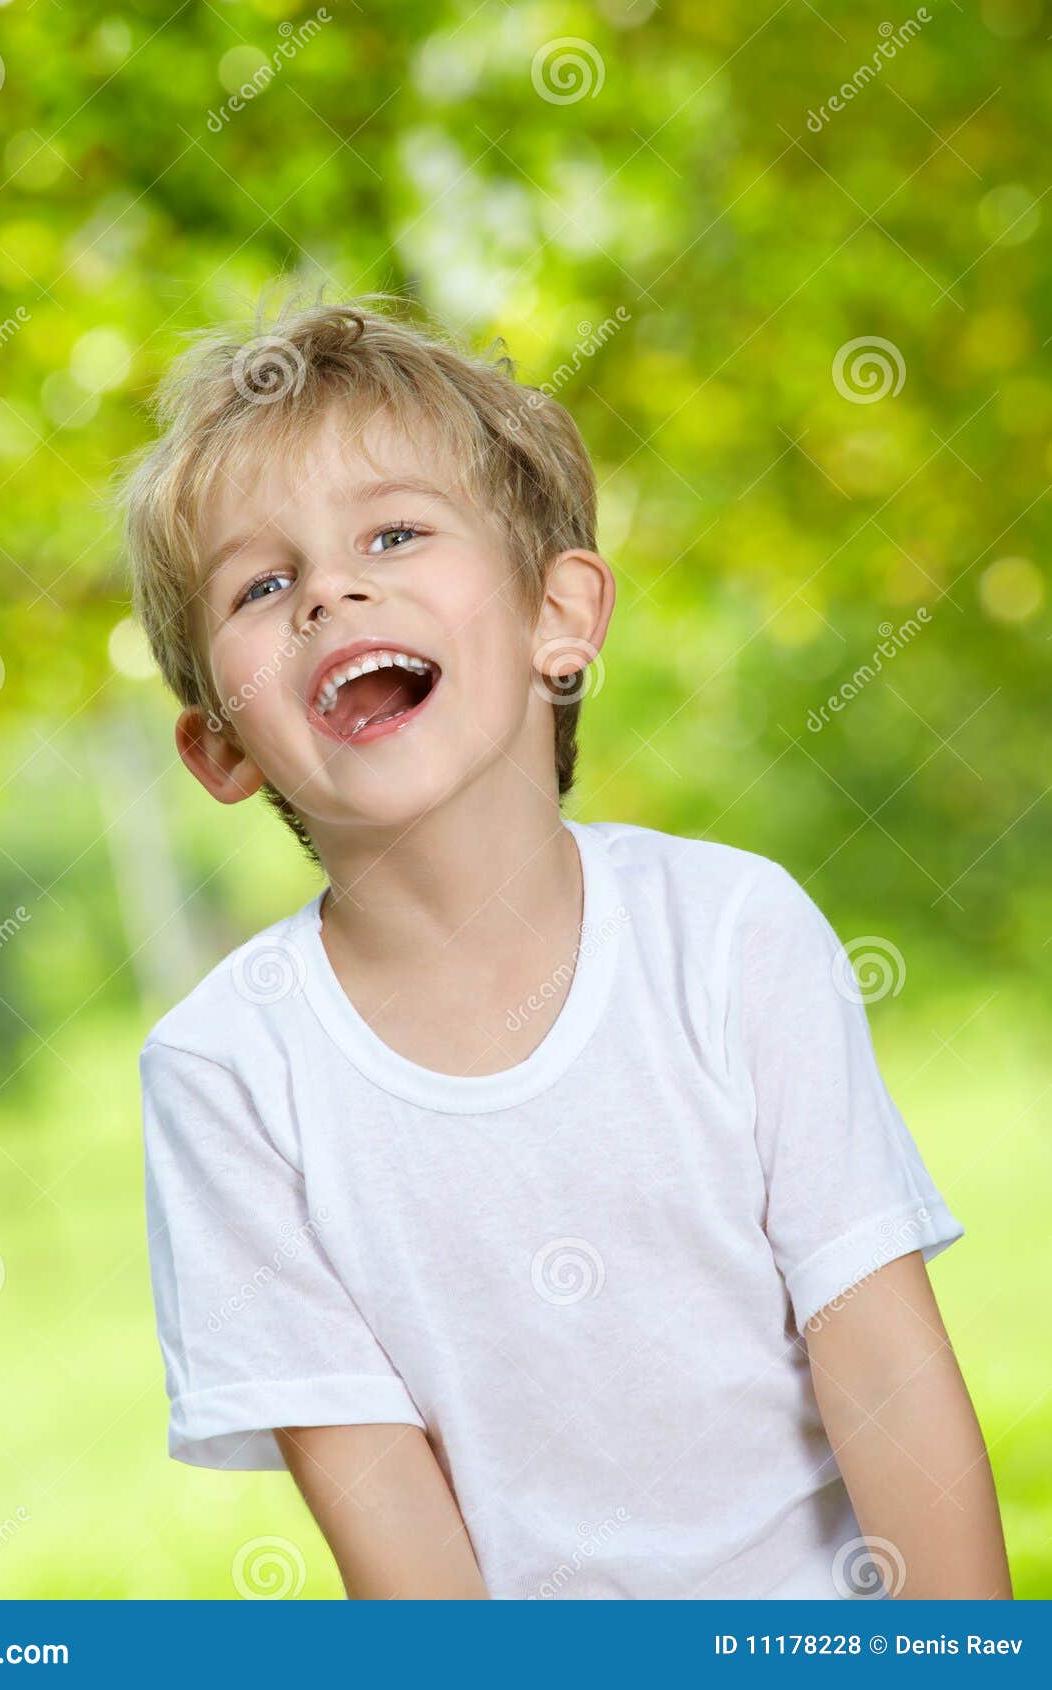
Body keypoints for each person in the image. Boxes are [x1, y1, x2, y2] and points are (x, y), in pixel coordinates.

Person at [121, 292, 1011, 1600]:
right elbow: (400, 1546)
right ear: (222, 746)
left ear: (560, 616)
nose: (332, 589)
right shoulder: (228, 1072)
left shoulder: (729, 935)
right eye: (263, 582)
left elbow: (884, 1375)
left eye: (396, 532)